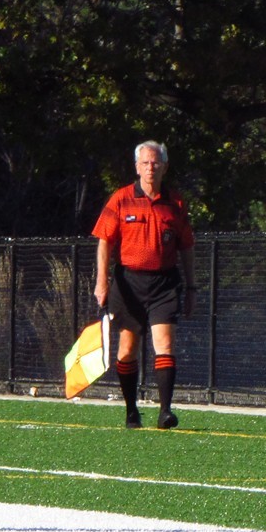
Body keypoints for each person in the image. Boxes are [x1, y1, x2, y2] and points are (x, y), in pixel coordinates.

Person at [91, 141, 197, 430]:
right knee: (127, 349)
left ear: (164, 166)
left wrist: (191, 287)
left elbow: (186, 247)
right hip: (128, 284)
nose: (151, 167)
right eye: (145, 163)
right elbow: (104, 241)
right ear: (137, 167)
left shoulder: (175, 203)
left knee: (165, 344)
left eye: (156, 162)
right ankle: (131, 411)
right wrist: (102, 282)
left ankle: (165, 411)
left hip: (164, 283)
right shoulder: (121, 199)